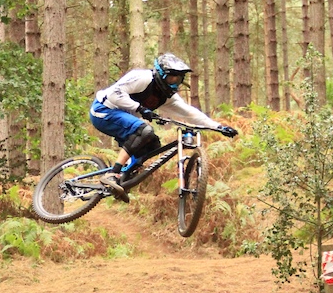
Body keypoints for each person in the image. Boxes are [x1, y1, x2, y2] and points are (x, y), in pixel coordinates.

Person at [89, 53, 238, 203]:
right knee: (144, 131)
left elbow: (190, 113)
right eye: (171, 78)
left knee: (153, 145)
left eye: (178, 79)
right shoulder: (143, 78)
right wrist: (140, 108)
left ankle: (122, 179)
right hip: (103, 110)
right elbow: (114, 93)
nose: (174, 83)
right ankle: (113, 174)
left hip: (122, 117)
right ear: (160, 74)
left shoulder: (168, 97)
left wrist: (218, 126)